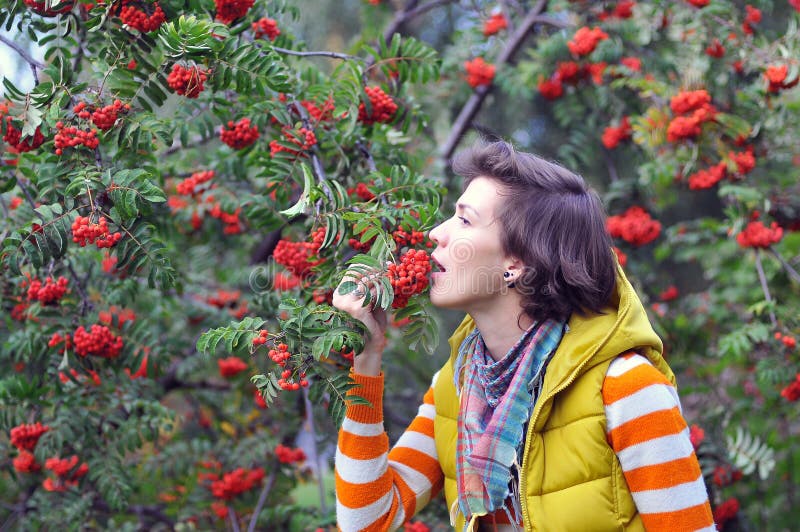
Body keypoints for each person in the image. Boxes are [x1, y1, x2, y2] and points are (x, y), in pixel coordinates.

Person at [332, 140, 715, 531]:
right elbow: (366, 521)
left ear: (516, 263)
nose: (436, 233)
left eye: (464, 221)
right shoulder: (456, 385)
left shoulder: (626, 388)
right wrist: (366, 358)